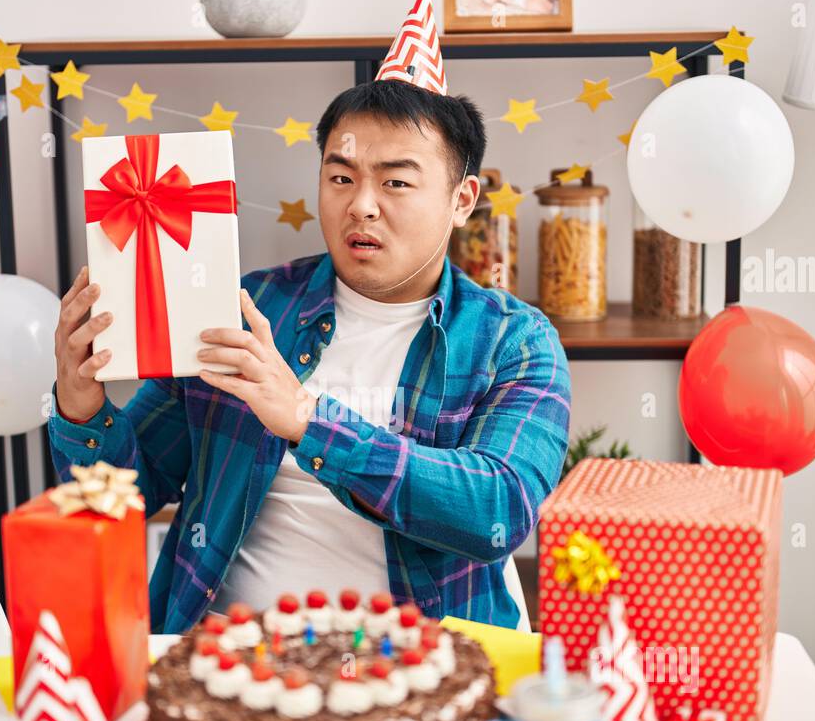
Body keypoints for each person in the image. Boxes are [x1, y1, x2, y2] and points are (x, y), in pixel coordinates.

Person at [50, 81, 569, 636]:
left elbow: (498, 509)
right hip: (224, 647)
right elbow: (127, 495)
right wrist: (81, 407)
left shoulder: (513, 341)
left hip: (421, 661)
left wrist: (309, 420)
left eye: (395, 182)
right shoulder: (243, 309)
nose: (360, 205)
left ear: (461, 200)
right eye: (340, 177)